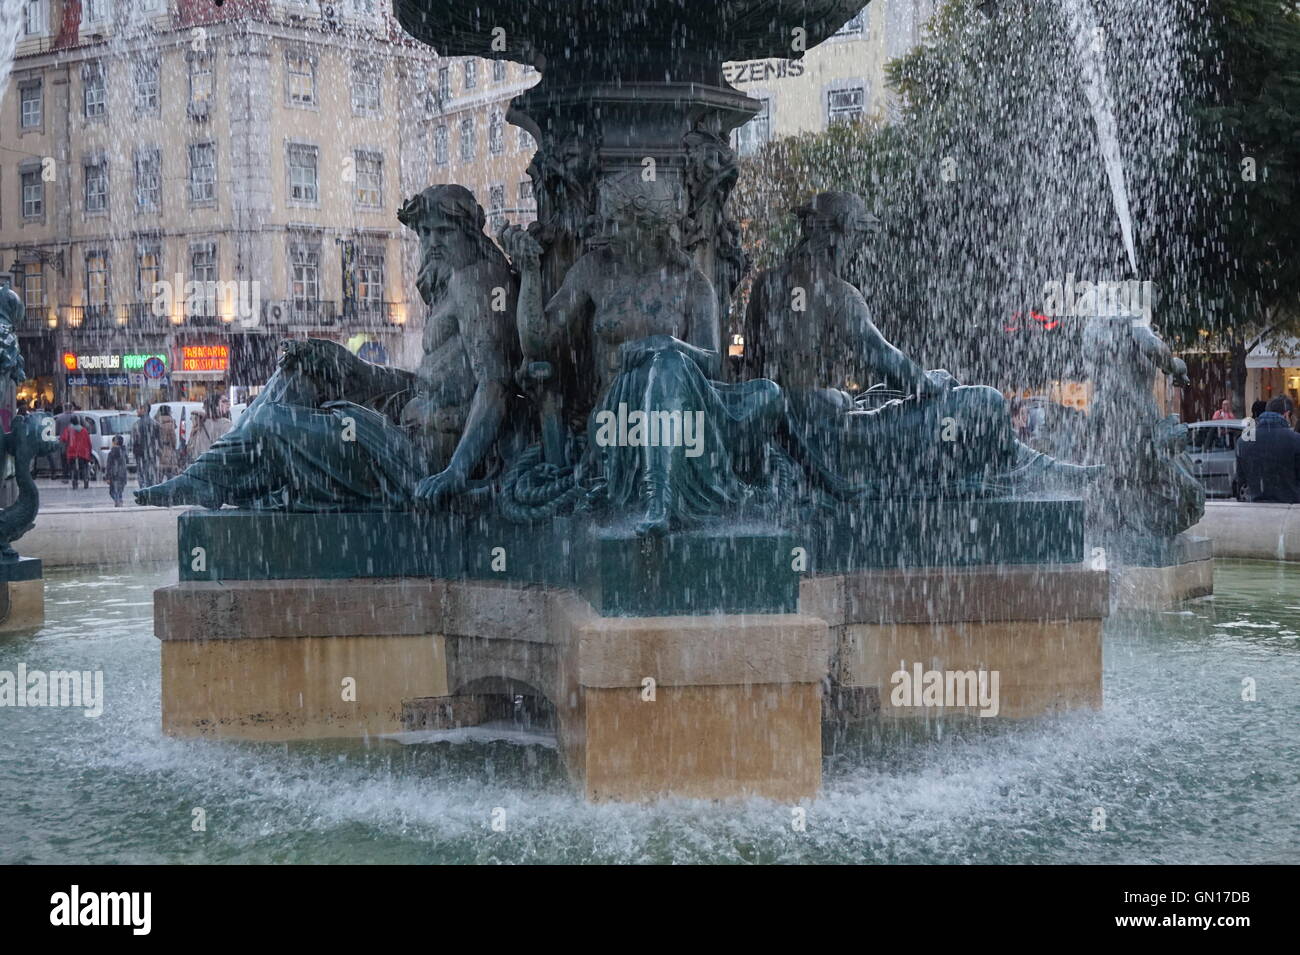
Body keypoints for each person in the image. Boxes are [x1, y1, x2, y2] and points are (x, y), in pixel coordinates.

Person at [136, 184, 522, 510]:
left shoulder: (479, 283)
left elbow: (495, 385)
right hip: (406, 427)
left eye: (443, 232)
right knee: (302, 369)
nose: (432, 243)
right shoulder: (455, 284)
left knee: (273, 422)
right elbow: (427, 381)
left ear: (469, 233)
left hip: (419, 456)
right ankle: (207, 478)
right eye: (426, 234)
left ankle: (215, 479)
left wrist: (455, 471)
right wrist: (349, 365)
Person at [1236, 395, 1300, 503]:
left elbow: (1241, 481)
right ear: (1287, 414)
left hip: (1256, 510)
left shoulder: (1244, 441)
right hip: (1289, 510)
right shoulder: (1295, 440)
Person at [185, 393, 233, 463]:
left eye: (228, 401)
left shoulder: (200, 424)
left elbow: (191, 450)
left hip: (200, 465)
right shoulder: (226, 424)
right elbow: (230, 449)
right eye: (224, 401)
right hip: (217, 465)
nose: (228, 404)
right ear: (216, 406)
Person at [131, 404, 161, 488]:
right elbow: (159, 441)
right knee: (151, 475)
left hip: (140, 454)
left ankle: (144, 492)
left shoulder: (136, 425)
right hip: (151, 453)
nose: (137, 411)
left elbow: (133, 441)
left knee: (142, 475)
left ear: (144, 410)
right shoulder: (155, 424)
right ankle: (150, 492)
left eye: (139, 409)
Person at [60, 414, 93, 490]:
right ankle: (86, 480)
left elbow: (63, 439)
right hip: (83, 452)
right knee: (84, 467)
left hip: (72, 451)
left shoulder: (69, 429)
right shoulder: (84, 430)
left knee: (73, 468)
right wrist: (89, 451)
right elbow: (88, 441)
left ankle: (75, 483)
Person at [155, 405, 179, 480]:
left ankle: (157, 488)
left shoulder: (156, 422)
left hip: (158, 449)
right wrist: (174, 446)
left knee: (159, 474)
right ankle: (169, 489)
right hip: (168, 449)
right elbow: (173, 439)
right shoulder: (169, 423)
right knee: (170, 473)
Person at [54, 402, 75, 482]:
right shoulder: (75, 417)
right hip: (73, 441)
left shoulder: (59, 418)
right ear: (71, 408)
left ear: (64, 408)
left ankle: (65, 475)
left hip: (63, 441)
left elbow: (56, 431)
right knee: (72, 458)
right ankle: (73, 474)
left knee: (64, 459)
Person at [106, 434, 129, 507]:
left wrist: (108, 477)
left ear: (115, 443)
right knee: (119, 491)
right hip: (122, 475)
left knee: (112, 492)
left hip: (114, 475)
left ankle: (118, 501)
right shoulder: (124, 452)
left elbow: (109, 466)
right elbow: (127, 462)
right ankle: (119, 501)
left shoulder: (112, 453)